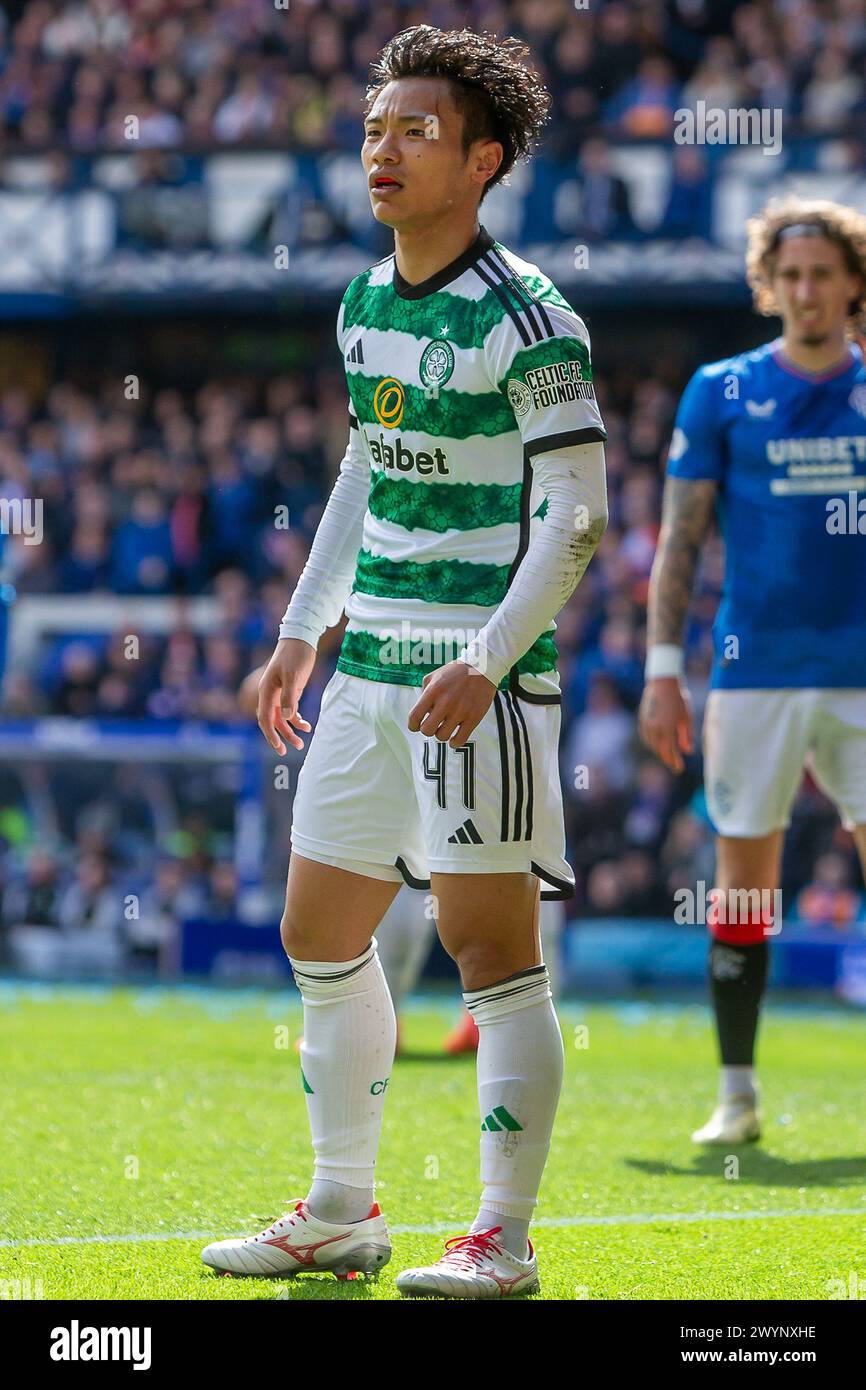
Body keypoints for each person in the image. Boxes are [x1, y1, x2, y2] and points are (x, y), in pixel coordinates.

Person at [202, 24, 607, 1298]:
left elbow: (576, 517)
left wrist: (491, 658)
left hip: (468, 679)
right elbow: (363, 473)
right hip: (368, 665)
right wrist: (299, 629)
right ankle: (338, 1208)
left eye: (414, 129)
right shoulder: (365, 300)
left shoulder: (530, 317)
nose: (382, 148)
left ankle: (503, 1234)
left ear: (482, 159)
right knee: (315, 933)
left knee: (493, 957)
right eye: (374, 127)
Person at [639, 196, 866, 1145]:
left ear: (854, 284)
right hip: (754, 670)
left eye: (824, 273)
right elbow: (680, 540)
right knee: (743, 887)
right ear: (768, 284)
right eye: (792, 274)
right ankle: (736, 1094)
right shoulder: (720, 390)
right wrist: (662, 667)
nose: (807, 291)